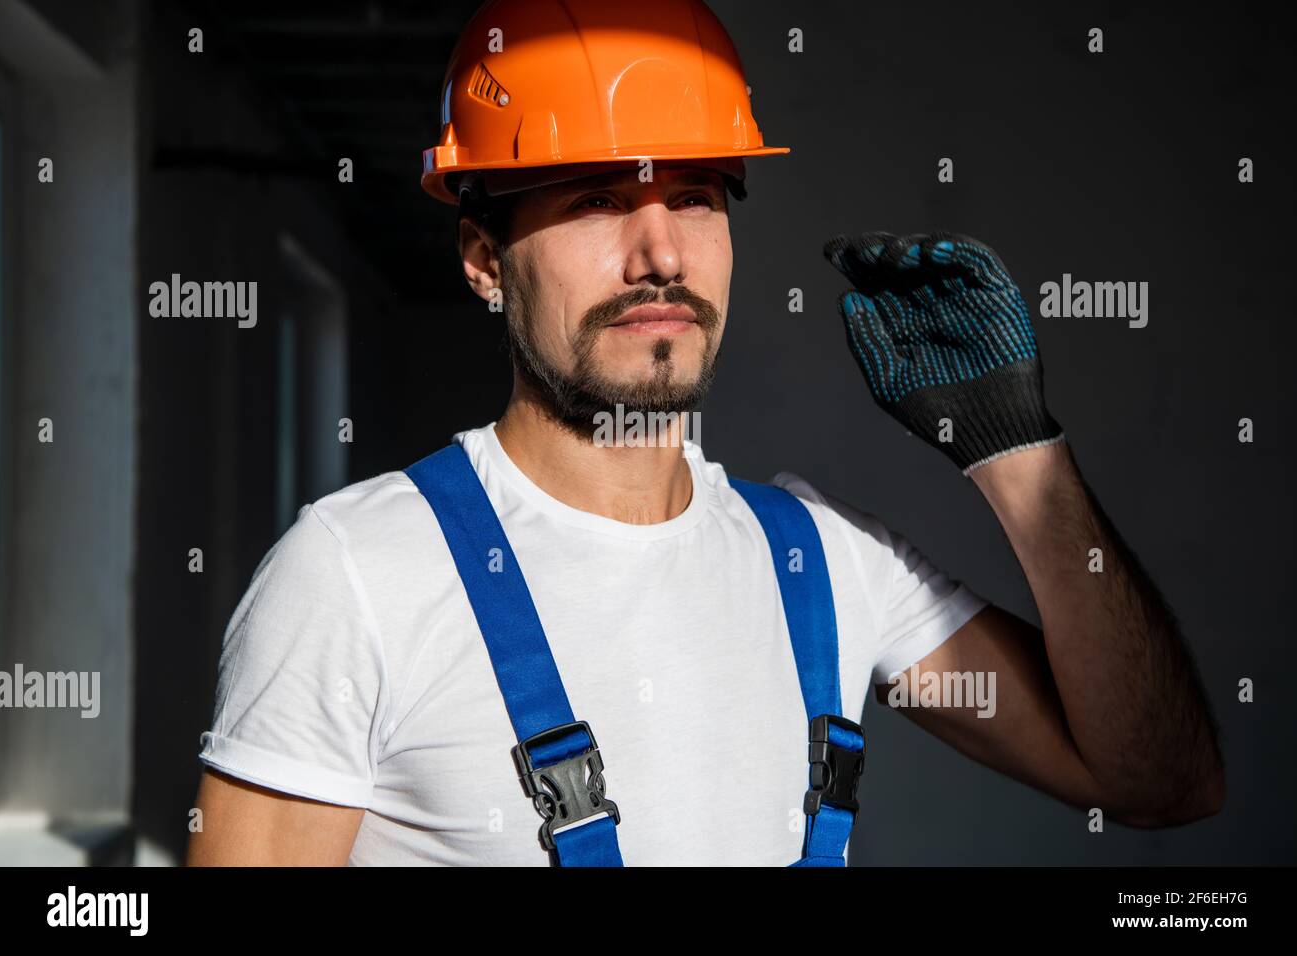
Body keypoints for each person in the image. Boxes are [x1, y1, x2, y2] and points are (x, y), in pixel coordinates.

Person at [187, 0, 1223, 866]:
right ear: (483, 259)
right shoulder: (356, 572)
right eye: (596, 198)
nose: (658, 253)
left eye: (692, 195)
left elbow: (1157, 779)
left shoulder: (825, 561)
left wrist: (1018, 455)